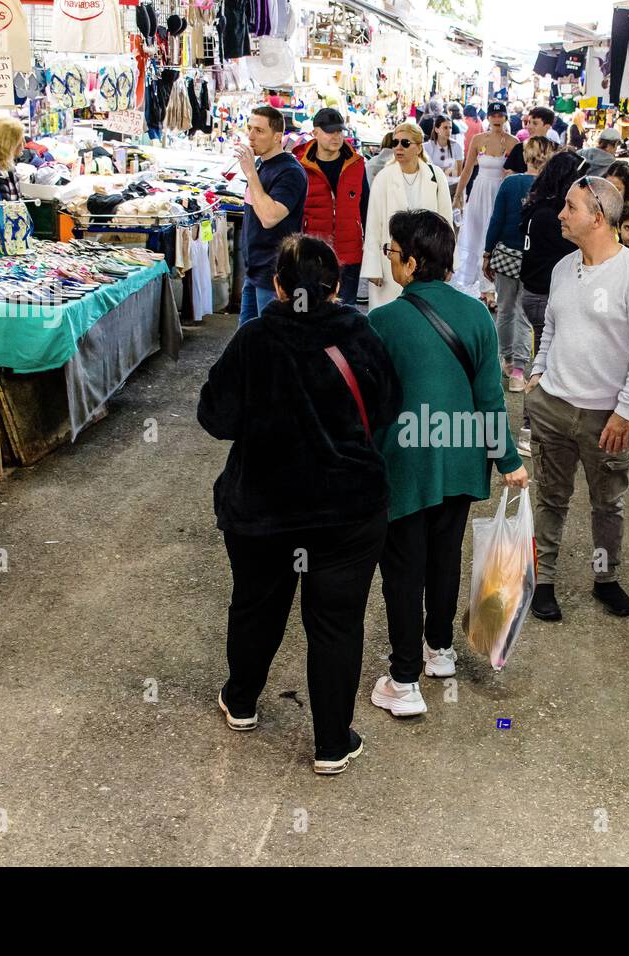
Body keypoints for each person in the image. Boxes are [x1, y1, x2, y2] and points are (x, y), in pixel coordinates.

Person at [198, 234, 402, 775]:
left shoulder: (253, 339)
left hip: (262, 511)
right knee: (336, 624)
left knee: (256, 605)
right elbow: (386, 407)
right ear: (336, 287)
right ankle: (331, 743)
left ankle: (241, 702)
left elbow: (215, 418)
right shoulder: (360, 334)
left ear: (279, 286)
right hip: (347, 511)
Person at [367, 210, 529, 717]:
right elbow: (490, 398)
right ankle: (440, 651)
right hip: (460, 460)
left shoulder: (382, 321)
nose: (389, 260)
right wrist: (507, 458)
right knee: (443, 557)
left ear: (412, 262)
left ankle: (403, 680)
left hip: (405, 464)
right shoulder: (477, 315)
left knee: (403, 569)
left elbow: (370, 404)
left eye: (392, 253)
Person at [524, 175, 629, 621]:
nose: (561, 214)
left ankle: (605, 578)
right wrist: (538, 372)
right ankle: (543, 581)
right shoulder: (565, 267)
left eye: (570, 207)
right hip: (553, 404)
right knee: (551, 497)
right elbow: (553, 328)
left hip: (607, 416)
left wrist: (625, 411)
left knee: (608, 504)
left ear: (598, 217)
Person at [516, 149, 584, 456]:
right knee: (543, 365)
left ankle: (538, 426)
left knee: (545, 361)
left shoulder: (536, 207)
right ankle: (530, 429)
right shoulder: (552, 214)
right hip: (544, 297)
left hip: (533, 294)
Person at [483, 136, 557, 393]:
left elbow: (496, 220)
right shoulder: (551, 191)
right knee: (524, 316)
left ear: (526, 157)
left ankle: (506, 359)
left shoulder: (510, 183)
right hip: (534, 261)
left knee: (504, 311)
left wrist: (487, 252)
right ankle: (518, 372)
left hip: (506, 256)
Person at [360, 122, 454, 308]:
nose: (398, 147)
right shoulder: (383, 177)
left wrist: (448, 263)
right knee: (387, 315)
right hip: (390, 261)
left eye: (405, 143)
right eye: (395, 142)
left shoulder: (436, 176)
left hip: (428, 259)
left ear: (419, 147)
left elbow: (446, 223)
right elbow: (373, 224)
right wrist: (372, 266)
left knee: (423, 313)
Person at [234, 105, 307, 325]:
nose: (251, 136)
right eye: (250, 128)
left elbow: (269, 218)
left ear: (277, 137)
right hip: (256, 271)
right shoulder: (261, 164)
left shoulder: (290, 172)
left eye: (259, 130)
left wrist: (250, 174)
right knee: (245, 343)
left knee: (272, 343)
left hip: (276, 274)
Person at [293, 107, 369, 307]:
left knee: (345, 311)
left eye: (339, 131)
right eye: (329, 131)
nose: (336, 136)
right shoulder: (300, 165)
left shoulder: (356, 164)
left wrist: (369, 248)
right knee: (306, 311)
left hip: (349, 253)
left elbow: (366, 207)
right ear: (315, 132)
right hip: (312, 254)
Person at [449, 103, 515, 297]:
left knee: (494, 235)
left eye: (500, 115)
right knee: (477, 233)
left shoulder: (513, 143)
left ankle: (492, 287)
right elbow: (467, 169)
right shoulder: (478, 139)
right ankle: (483, 287)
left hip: (500, 192)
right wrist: (458, 195)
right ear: (488, 117)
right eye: (493, 115)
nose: (496, 119)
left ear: (505, 118)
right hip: (479, 191)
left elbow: (517, 171)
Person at [503, 106, 562, 174]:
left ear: (547, 127)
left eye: (535, 123)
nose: (529, 126)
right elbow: (507, 173)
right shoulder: (519, 148)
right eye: (529, 122)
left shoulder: (557, 150)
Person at [423, 114, 464, 197]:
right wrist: (447, 171)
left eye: (450, 127)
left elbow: (459, 172)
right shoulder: (426, 147)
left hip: (451, 189)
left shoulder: (456, 146)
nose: (449, 130)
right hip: (432, 188)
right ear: (437, 129)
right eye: (445, 127)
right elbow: (424, 171)